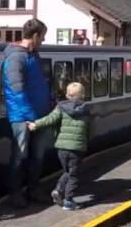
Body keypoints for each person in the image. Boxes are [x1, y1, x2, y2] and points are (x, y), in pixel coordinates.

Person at [1, 18, 52, 208]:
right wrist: (32, 118)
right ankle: (15, 193)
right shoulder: (16, 58)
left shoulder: (33, 55)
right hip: (22, 117)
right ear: (36, 35)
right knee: (20, 155)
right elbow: (17, 91)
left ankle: (34, 188)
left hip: (38, 115)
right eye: (43, 37)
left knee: (37, 155)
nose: (43, 41)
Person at [29, 81, 89, 211]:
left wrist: (35, 124)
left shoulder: (60, 108)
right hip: (76, 149)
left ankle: (58, 190)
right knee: (74, 175)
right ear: (82, 95)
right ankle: (68, 201)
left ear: (67, 95)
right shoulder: (85, 109)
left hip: (61, 148)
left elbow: (49, 119)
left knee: (67, 171)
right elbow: (89, 129)